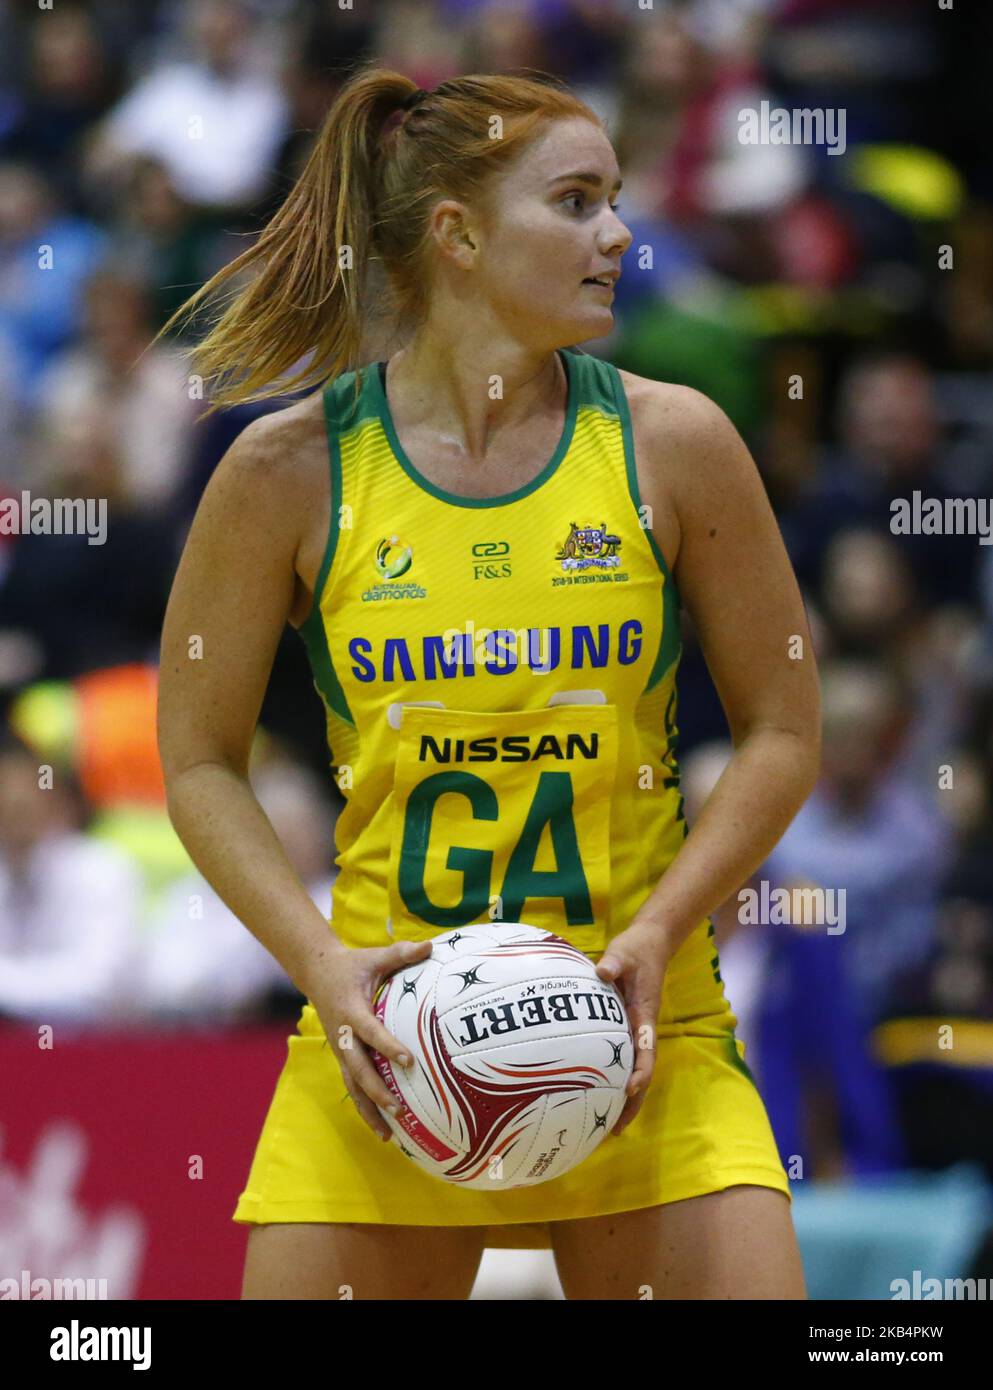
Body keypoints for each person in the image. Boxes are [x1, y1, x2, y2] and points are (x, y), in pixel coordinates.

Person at [156, 67, 820, 1301]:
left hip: (645, 1036)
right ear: (457, 235)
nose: (620, 232)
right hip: (387, 1036)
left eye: (616, 198)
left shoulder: (675, 441)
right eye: (576, 200)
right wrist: (318, 961)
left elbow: (786, 728)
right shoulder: (288, 468)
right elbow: (196, 758)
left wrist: (663, 925)